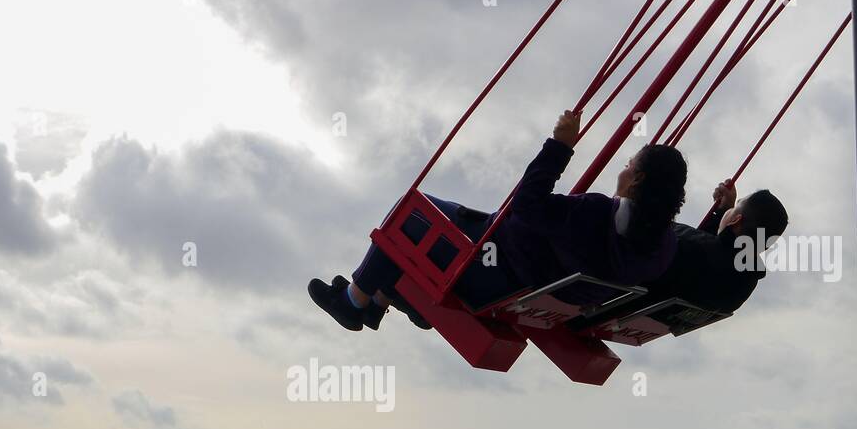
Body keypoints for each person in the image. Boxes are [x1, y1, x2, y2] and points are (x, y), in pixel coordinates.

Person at [308, 108, 688, 331]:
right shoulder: (662, 247)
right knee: (448, 216)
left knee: (411, 212)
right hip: (525, 294)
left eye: (628, 165)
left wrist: (559, 147)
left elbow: (525, 205)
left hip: (487, 269)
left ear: (637, 179)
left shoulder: (594, 214)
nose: (621, 170)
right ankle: (377, 299)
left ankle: (353, 302)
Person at [651, 180, 788, 315]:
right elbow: (721, 252)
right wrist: (724, 212)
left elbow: (651, 228)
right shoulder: (744, 281)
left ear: (736, 220)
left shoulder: (689, 246)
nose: (731, 208)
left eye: (735, 207)